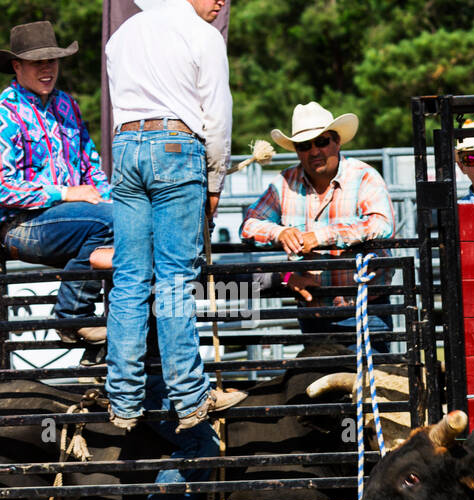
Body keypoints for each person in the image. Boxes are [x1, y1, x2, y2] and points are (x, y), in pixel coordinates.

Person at [104, 0, 245, 432]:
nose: (221, 2)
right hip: (176, 148)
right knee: (173, 281)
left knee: (130, 277)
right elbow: (217, 118)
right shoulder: (202, 36)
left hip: (126, 145)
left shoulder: (121, 36)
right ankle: (188, 396)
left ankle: (123, 400)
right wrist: (215, 182)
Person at [0, 21, 113, 357]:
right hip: (20, 226)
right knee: (112, 223)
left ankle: (103, 358)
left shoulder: (67, 106)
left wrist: (106, 200)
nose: (47, 68)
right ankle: (73, 316)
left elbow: (91, 165)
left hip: (70, 221)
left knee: (129, 225)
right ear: (17, 66)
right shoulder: (5, 112)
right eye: (37, 62)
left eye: (52, 60)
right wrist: (63, 193)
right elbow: (2, 187)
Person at [241, 101, 396, 346]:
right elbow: (249, 226)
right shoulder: (284, 183)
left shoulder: (364, 175)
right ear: (297, 151)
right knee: (318, 380)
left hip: (365, 307)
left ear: (337, 142)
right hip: (312, 312)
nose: (314, 151)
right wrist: (280, 233)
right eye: (304, 145)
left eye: (322, 142)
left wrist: (321, 237)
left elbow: (381, 224)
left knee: (370, 378)